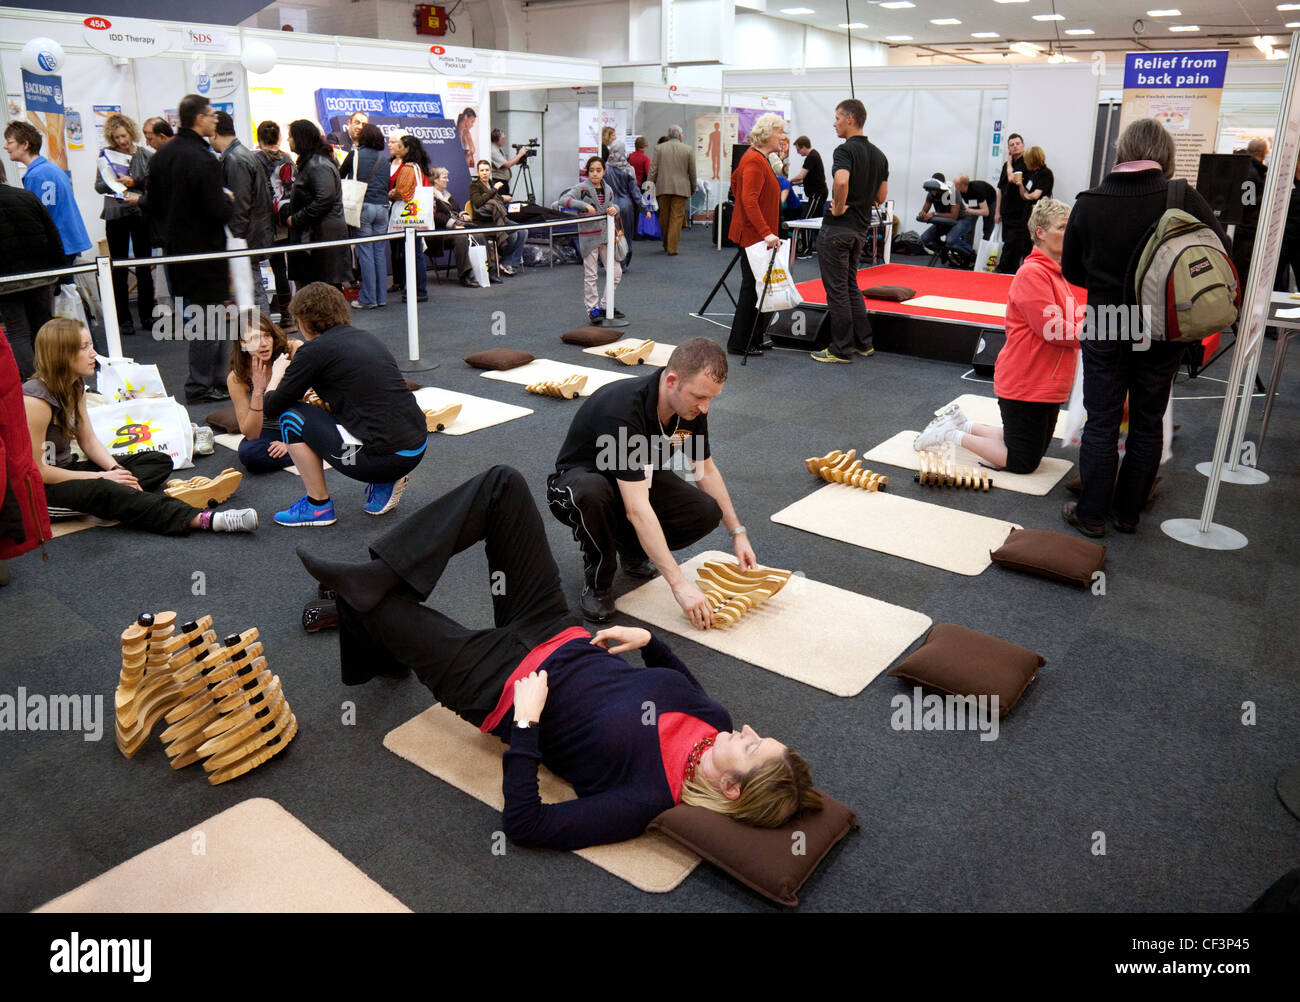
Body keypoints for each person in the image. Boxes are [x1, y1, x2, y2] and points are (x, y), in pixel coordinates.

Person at [296, 464, 821, 849]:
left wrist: (525, 724)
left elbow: (527, 826)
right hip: (552, 626)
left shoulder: (645, 799)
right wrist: (651, 644)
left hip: (495, 684)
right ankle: (376, 582)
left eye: (752, 748)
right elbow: (678, 682)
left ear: (729, 790)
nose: (748, 730)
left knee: (373, 606)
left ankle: (371, 625)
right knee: (504, 485)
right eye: (760, 737)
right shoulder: (715, 721)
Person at [1060, 118, 1230, 536]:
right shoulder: (1182, 197)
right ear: (1166, 156)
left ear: (1122, 150)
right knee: (1148, 420)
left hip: (1105, 321)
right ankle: (1129, 514)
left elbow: (1072, 270)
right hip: (1163, 326)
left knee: (1100, 420)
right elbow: (1216, 252)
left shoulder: (1089, 201)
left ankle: (1092, 515)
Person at [546, 338, 753, 623]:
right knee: (594, 494)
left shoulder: (690, 409)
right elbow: (636, 508)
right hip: (578, 484)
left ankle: (631, 547)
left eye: (711, 399)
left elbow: (705, 471)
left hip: (635, 479)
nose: (705, 408)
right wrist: (679, 585)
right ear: (671, 381)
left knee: (705, 511)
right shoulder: (622, 409)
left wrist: (737, 533)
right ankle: (598, 583)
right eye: (699, 397)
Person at [23, 318, 257, 535]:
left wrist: (115, 471)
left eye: (91, 344)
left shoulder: (75, 385)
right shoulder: (35, 400)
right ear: (61, 354)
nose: (93, 353)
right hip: (41, 492)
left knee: (157, 461)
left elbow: (88, 441)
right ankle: (206, 519)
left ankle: (118, 498)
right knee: (107, 489)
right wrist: (103, 480)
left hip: (69, 470)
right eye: (83, 347)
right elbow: (39, 471)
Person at [914, 198, 1082, 474]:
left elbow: (1074, 320)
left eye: (1069, 227)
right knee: (1022, 462)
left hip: (1046, 382)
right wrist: (1095, 334)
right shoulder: (1033, 274)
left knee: (1030, 450)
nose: (1069, 233)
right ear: (1040, 232)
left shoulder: (1057, 275)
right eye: (1062, 227)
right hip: (1026, 381)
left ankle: (962, 424)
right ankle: (950, 434)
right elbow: (1052, 329)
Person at [260, 283, 427, 525]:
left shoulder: (313, 352)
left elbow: (272, 407)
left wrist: (277, 374)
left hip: (379, 461)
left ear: (305, 321)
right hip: (416, 447)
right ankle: (387, 478)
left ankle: (317, 507)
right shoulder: (365, 336)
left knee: (291, 417)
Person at [140, 94, 234, 403]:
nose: (215, 119)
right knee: (210, 319)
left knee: (205, 317)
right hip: (205, 251)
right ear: (198, 118)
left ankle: (214, 381)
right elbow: (216, 209)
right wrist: (228, 201)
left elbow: (149, 204)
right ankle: (203, 384)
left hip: (176, 251)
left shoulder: (162, 157)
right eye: (210, 115)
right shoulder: (202, 158)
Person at [811, 98, 889, 364]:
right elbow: (881, 196)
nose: (834, 123)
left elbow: (841, 180)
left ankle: (840, 348)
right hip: (860, 230)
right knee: (850, 285)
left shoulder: (843, 151)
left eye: (837, 118)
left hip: (838, 230)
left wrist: (839, 207)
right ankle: (863, 343)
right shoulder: (880, 156)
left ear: (850, 120)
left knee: (837, 291)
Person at [726, 113, 784, 357]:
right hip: (755, 236)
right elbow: (748, 200)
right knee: (751, 288)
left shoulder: (759, 159)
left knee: (760, 288)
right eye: (780, 132)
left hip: (758, 235)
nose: (783, 137)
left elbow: (736, 184)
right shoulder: (754, 160)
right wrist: (766, 231)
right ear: (768, 133)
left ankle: (754, 337)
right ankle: (740, 343)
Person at [93, 113, 155, 337]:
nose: (121, 141)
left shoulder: (145, 155)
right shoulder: (105, 156)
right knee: (117, 267)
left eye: (124, 136)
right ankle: (124, 319)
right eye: (116, 137)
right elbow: (98, 186)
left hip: (139, 212)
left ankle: (147, 314)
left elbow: (153, 184)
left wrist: (133, 183)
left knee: (143, 264)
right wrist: (112, 182)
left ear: (131, 133)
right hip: (116, 212)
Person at [0, 182, 64, 379]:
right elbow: (53, 235)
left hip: (6, 282)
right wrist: (60, 273)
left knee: (18, 331)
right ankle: (56, 377)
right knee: (43, 327)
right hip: (40, 276)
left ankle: (35, 382)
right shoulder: (28, 196)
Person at [211, 112, 272, 315]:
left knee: (251, 292)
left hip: (246, 236)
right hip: (249, 234)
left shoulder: (236, 159)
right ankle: (259, 338)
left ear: (214, 133)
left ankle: (262, 338)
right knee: (250, 290)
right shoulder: (239, 155)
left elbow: (241, 205)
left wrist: (235, 240)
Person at [226, 311, 300, 474]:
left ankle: (305, 448)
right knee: (249, 453)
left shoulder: (292, 350)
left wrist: (291, 443)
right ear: (243, 344)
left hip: (304, 425)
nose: (264, 343)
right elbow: (251, 433)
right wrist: (258, 392)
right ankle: (311, 451)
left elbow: (319, 400)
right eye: (255, 339)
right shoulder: (237, 377)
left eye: (267, 336)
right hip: (272, 430)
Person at [555, 157, 624, 324]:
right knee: (591, 274)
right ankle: (592, 308)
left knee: (616, 272)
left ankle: (607, 305)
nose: (595, 173)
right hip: (589, 237)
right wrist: (583, 206)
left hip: (606, 236)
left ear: (604, 172)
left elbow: (614, 205)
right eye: (592, 170)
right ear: (588, 171)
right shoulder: (581, 188)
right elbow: (563, 200)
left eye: (598, 170)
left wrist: (615, 209)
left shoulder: (608, 189)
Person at [284, 119, 350, 290]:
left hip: (321, 238)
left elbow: (324, 199)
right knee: (319, 291)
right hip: (316, 236)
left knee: (324, 292)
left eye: (290, 137)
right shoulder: (313, 162)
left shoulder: (318, 164)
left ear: (300, 138)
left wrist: (296, 219)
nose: (287, 141)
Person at [338, 123, 391, 308]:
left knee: (365, 253)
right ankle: (380, 297)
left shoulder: (355, 155)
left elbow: (339, 176)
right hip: (383, 208)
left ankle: (368, 298)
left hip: (362, 207)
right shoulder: (385, 161)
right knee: (379, 253)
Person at [255, 120, 296, 322]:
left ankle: (278, 314)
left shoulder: (256, 159)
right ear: (279, 137)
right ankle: (290, 314)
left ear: (260, 137)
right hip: (287, 215)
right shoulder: (287, 158)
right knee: (288, 266)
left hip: (266, 218)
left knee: (276, 265)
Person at [387, 134, 436, 301]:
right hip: (417, 215)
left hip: (408, 218)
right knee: (415, 254)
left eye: (400, 145)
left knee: (412, 254)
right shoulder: (419, 167)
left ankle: (417, 291)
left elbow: (403, 193)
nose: (396, 148)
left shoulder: (407, 168)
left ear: (408, 149)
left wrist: (392, 194)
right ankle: (418, 290)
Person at [469, 159, 526, 277]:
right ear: (478, 172)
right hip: (484, 222)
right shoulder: (475, 185)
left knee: (524, 231)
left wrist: (504, 197)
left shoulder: (490, 183)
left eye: (486, 170)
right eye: (482, 170)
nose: (484, 173)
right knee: (513, 234)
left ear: (490, 171)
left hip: (497, 218)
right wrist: (494, 190)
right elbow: (478, 202)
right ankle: (506, 261)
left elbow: (495, 200)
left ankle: (510, 263)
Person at [429, 165, 483, 288]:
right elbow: (435, 216)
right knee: (461, 237)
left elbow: (456, 210)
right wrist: (453, 225)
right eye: (445, 177)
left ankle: (486, 271)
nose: (447, 180)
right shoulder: (429, 196)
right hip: (438, 234)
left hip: (454, 229)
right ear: (436, 180)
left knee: (479, 235)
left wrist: (463, 214)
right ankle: (465, 275)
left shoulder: (446, 194)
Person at [649, 125, 696, 255]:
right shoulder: (688, 149)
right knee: (677, 218)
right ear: (680, 136)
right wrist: (693, 186)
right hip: (681, 189)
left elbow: (653, 170)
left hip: (662, 187)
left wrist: (649, 186)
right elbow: (692, 171)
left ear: (669, 135)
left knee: (663, 216)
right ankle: (672, 247)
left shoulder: (659, 148)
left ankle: (665, 243)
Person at [995, 133, 1031, 274]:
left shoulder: (1027, 164)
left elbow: (1013, 179)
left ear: (1023, 145)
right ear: (1008, 148)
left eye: (1017, 143)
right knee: (1010, 243)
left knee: (1012, 244)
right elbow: (1000, 189)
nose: (1015, 146)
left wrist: (1009, 163)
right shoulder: (1006, 165)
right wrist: (997, 211)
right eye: (1011, 144)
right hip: (1006, 211)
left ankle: (1003, 270)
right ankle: (1012, 271)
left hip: (1020, 211)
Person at [949, 174, 997, 256]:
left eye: (956, 185)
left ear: (963, 185)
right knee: (969, 226)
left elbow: (986, 212)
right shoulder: (960, 191)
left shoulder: (977, 191)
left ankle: (983, 255)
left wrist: (969, 210)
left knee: (988, 229)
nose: (954, 186)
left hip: (989, 202)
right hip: (974, 202)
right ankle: (967, 252)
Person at [917, 172, 961, 255]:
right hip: (944, 221)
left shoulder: (952, 193)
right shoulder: (931, 194)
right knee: (925, 239)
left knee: (950, 241)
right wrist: (922, 214)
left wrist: (934, 214)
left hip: (960, 219)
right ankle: (943, 251)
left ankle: (970, 252)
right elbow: (924, 211)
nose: (932, 191)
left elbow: (953, 216)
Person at [791, 136, 828, 211]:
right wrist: (793, 183)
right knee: (816, 216)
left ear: (804, 147)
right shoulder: (813, 155)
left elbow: (801, 176)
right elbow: (805, 179)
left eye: (798, 149)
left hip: (817, 193)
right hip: (817, 193)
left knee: (808, 217)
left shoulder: (811, 157)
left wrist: (788, 181)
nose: (797, 152)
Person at [489, 128, 529, 192]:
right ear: (496, 139)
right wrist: (519, 154)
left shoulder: (498, 148)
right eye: (502, 138)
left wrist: (518, 158)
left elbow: (508, 163)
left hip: (503, 181)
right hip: (498, 181)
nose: (504, 140)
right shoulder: (493, 150)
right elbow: (507, 164)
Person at [456, 108, 477, 173]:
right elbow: (472, 149)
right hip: (464, 165)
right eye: (472, 121)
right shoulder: (465, 132)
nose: (472, 125)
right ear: (465, 117)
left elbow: (472, 150)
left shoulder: (458, 131)